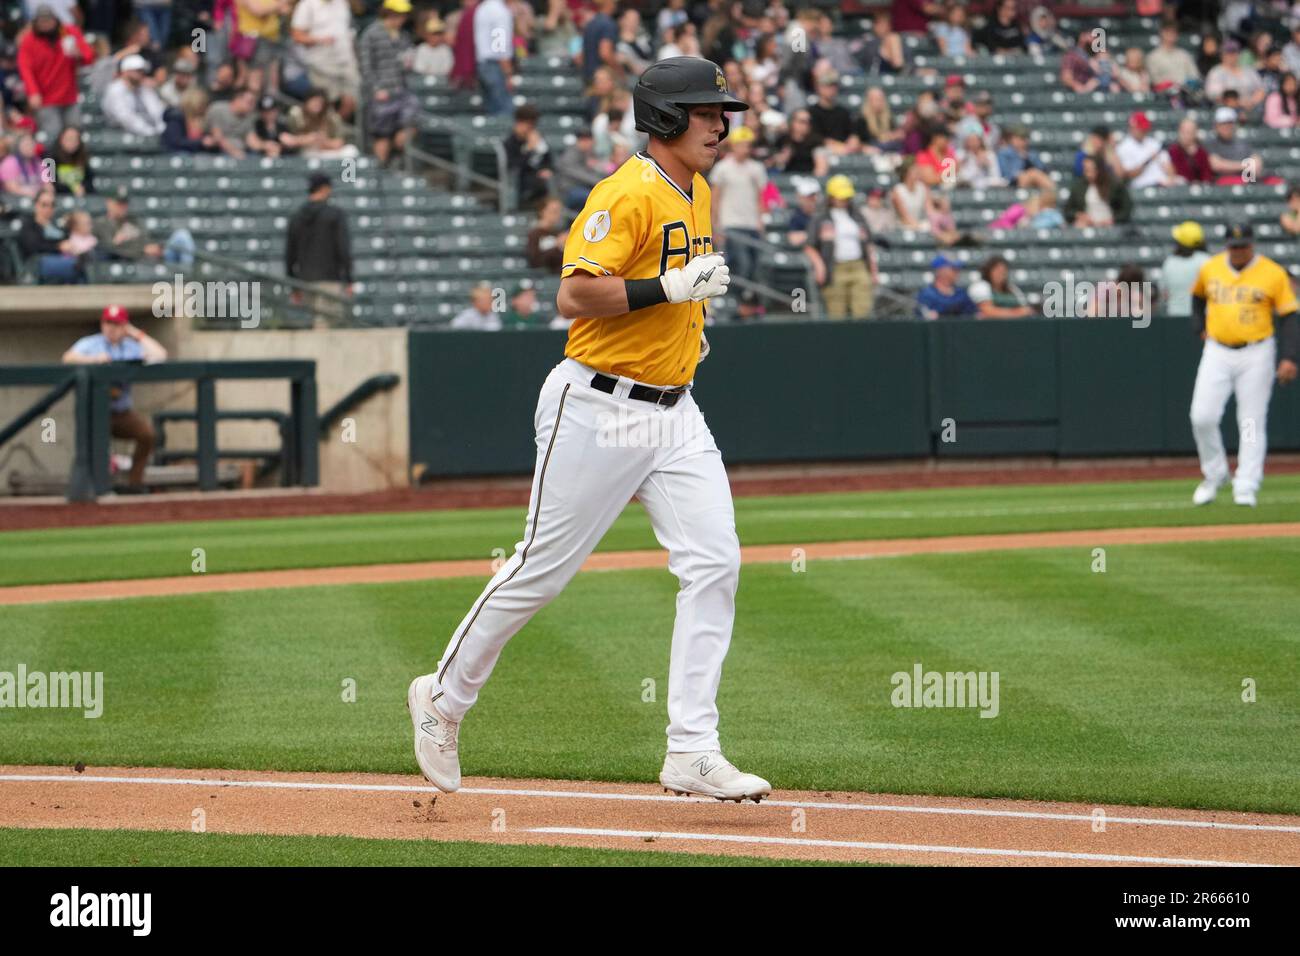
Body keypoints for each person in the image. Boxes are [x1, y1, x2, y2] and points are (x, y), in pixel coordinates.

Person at [407, 57, 772, 804]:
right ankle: (443, 698)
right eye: (706, 111)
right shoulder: (626, 191)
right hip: (599, 408)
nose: (720, 123)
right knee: (541, 570)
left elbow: (674, 295)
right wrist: (669, 289)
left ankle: (692, 750)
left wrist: (687, 323)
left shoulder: (695, 189)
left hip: (676, 412)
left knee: (715, 563)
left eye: (722, 110)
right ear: (667, 118)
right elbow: (574, 292)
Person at [1188, 223, 1298, 507]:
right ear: (1226, 246)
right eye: (1234, 246)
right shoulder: (1211, 268)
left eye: (1244, 245)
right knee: (1202, 416)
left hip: (1256, 351)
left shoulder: (1272, 272)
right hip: (1217, 350)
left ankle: (1246, 484)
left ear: (1253, 244)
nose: (1239, 251)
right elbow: (1197, 298)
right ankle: (1215, 474)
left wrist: (1289, 357)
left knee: (1250, 422)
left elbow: (1288, 316)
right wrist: (1199, 326)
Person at [60, 305, 167, 492]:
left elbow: (161, 356)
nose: (111, 328)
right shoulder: (92, 344)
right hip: (95, 412)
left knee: (147, 435)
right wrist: (93, 361)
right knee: (91, 448)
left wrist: (135, 334)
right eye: (108, 323)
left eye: (116, 324)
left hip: (122, 411)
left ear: (124, 326)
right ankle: (90, 488)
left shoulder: (131, 346)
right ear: (102, 324)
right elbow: (67, 358)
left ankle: (135, 483)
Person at [16, 4, 94, 140]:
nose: (46, 24)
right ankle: (50, 162)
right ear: (36, 23)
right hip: (46, 97)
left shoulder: (68, 32)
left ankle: (73, 162)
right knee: (53, 135)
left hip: (69, 95)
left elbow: (89, 57)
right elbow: (25, 69)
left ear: (56, 20)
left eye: (48, 20)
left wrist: (79, 54)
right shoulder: (29, 40)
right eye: (42, 21)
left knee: (75, 133)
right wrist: (33, 92)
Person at [804, 175, 875, 320]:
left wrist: (873, 269)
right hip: (835, 268)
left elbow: (868, 244)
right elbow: (810, 246)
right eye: (839, 197)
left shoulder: (857, 216)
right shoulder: (820, 218)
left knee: (863, 313)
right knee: (837, 315)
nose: (843, 200)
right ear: (831, 197)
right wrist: (819, 266)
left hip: (858, 266)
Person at [285, 172, 353, 326]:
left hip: (304, 281)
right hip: (330, 280)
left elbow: (289, 255)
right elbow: (343, 248)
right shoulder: (335, 215)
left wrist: (293, 285)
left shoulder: (296, 217)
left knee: (312, 326)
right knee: (325, 329)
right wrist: (348, 279)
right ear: (324, 189)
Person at [359, 0, 420, 164]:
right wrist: (375, 89)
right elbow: (365, 66)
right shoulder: (371, 34)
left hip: (401, 90)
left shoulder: (404, 36)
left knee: (409, 125)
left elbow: (407, 64)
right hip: (381, 93)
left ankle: (396, 158)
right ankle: (382, 169)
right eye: (399, 14)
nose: (402, 18)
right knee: (382, 134)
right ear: (388, 12)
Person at [709, 125, 766, 289]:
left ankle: (748, 303)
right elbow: (715, 198)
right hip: (731, 223)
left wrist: (761, 220)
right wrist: (715, 224)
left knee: (754, 266)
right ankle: (739, 302)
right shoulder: (722, 168)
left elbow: (759, 197)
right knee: (742, 265)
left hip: (751, 223)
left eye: (747, 144)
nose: (745, 148)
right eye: (741, 144)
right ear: (733, 145)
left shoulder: (757, 168)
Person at [290, 0, 361, 121]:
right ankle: (325, 132)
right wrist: (319, 40)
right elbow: (297, 35)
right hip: (321, 63)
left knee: (352, 100)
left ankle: (335, 129)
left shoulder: (342, 3)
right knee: (326, 104)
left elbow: (355, 16)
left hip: (346, 60)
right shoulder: (307, 4)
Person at [18, 188, 83, 283]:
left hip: (62, 259)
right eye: (44, 205)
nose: (48, 209)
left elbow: (67, 240)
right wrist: (58, 247)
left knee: (81, 263)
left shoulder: (57, 225)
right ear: (36, 205)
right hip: (38, 262)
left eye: (52, 205)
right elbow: (33, 247)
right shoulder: (29, 224)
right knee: (76, 265)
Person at [101, 53, 166, 136]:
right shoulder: (115, 90)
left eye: (142, 71)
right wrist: (149, 131)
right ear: (126, 71)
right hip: (121, 134)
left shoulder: (144, 88)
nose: (141, 73)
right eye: (138, 70)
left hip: (151, 132)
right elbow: (126, 119)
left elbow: (157, 111)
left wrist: (161, 129)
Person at [503, 103, 553, 208]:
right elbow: (514, 167)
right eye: (529, 125)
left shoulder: (538, 138)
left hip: (540, 181)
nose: (531, 129)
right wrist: (529, 149)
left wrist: (546, 169)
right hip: (521, 183)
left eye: (533, 125)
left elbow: (548, 160)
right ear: (519, 123)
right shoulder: (510, 142)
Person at [286, 88, 357, 158]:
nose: (317, 105)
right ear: (307, 101)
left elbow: (339, 142)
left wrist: (323, 141)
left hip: (325, 151)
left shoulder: (330, 118)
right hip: (304, 153)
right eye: (314, 101)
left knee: (351, 150)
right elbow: (288, 140)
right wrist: (309, 139)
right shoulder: (297, 114)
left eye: (320, 103)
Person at [1064, 155, 1131, 228]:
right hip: (1088, 225)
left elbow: (1126, 209)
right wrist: (1079, 215)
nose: (1088, 173)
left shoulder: (1115, 185)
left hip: (1110, 225)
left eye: (1091, 170)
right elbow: (1068, 211)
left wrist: (1113, 220)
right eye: (1085, 170)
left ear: (1099, 169)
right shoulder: (1078, 187)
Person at [1161, 220, 1210, 319]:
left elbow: (1165, 295)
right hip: (1202, 319)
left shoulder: (1169, 262)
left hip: (1175, 318)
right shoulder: (1207, 261)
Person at [1206, 39, 1265, 117]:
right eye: (1229, 52)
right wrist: (1239, 103)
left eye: (1234, 52)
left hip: (1251, 109)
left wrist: (1252, 102)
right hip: (1226, 111)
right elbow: (1215, 95)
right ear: (1222, 54)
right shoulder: (1216, 72)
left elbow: (1261, 90)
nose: (1232, 55)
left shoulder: (1248, 70)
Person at [1206, 107, 1266, 184]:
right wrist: (1245, 166)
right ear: (1216, 126)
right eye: (1223, 123)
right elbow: (1216, 165)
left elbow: (1256, 162)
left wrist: (1248, 166)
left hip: (1246, 182)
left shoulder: (1242, 142)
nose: (1226, 127)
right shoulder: (1210, 143)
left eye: (1229, 123)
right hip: (1222, 184)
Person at [1116, 111, 1174, 189]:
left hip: (1163, 183)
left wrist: (1171, 177)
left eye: (1145, 128)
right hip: (1142, 186)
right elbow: (1129, 174)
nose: (1144, 131)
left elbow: (1168, 166)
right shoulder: (1123, 147)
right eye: (1141, 128)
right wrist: (1148, 160)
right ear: (1132, 128)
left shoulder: (1154, 143)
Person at [475, 0, 514, 116]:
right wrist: (508, 73)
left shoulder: (482, 7)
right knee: (503, 112)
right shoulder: (499, 10)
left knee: (491, 112)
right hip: (495, 65)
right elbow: (499, 45)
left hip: (482, 63)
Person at [1147, 22, 1200, 98]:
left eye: (1173, 32)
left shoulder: (1184, 55)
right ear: (1162, 33)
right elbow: (1154, 80)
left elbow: (1194, 75)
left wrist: (1186, 85)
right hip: (1164, 96)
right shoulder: (1153, 56)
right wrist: (1171, 85)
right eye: (1168, 32)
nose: (1171, 35)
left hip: (1185, 94)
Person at [916, 254, 975, 319]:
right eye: (953, 269)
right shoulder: (927, 294)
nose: (957, 272)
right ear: (940, 270)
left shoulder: (961, 293)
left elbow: (972, 314)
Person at [527, 195, 567, 270]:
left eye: (559, 211)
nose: (558, 215)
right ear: (542, 211)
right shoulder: (534, 234)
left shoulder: (559, 232)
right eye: (554, 211)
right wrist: (557, 246)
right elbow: (534, 261)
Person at [1168, 117, 1213, 183]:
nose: (1186, 135)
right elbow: (1176, 173)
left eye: (1189, 132)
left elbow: (1206, 176)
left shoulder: (1201, 152)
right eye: (1183, 132)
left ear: (1195, 133)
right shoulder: (1173, 151)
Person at [0, 133, 45, 199]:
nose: (30, 147)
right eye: (27, 144)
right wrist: (36, 194)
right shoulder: (9, 163)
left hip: (37, 201)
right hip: (15, 202)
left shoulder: (39, 162)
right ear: (18, 147)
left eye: (32, 144)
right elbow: (12, 189)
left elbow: (48, 186)